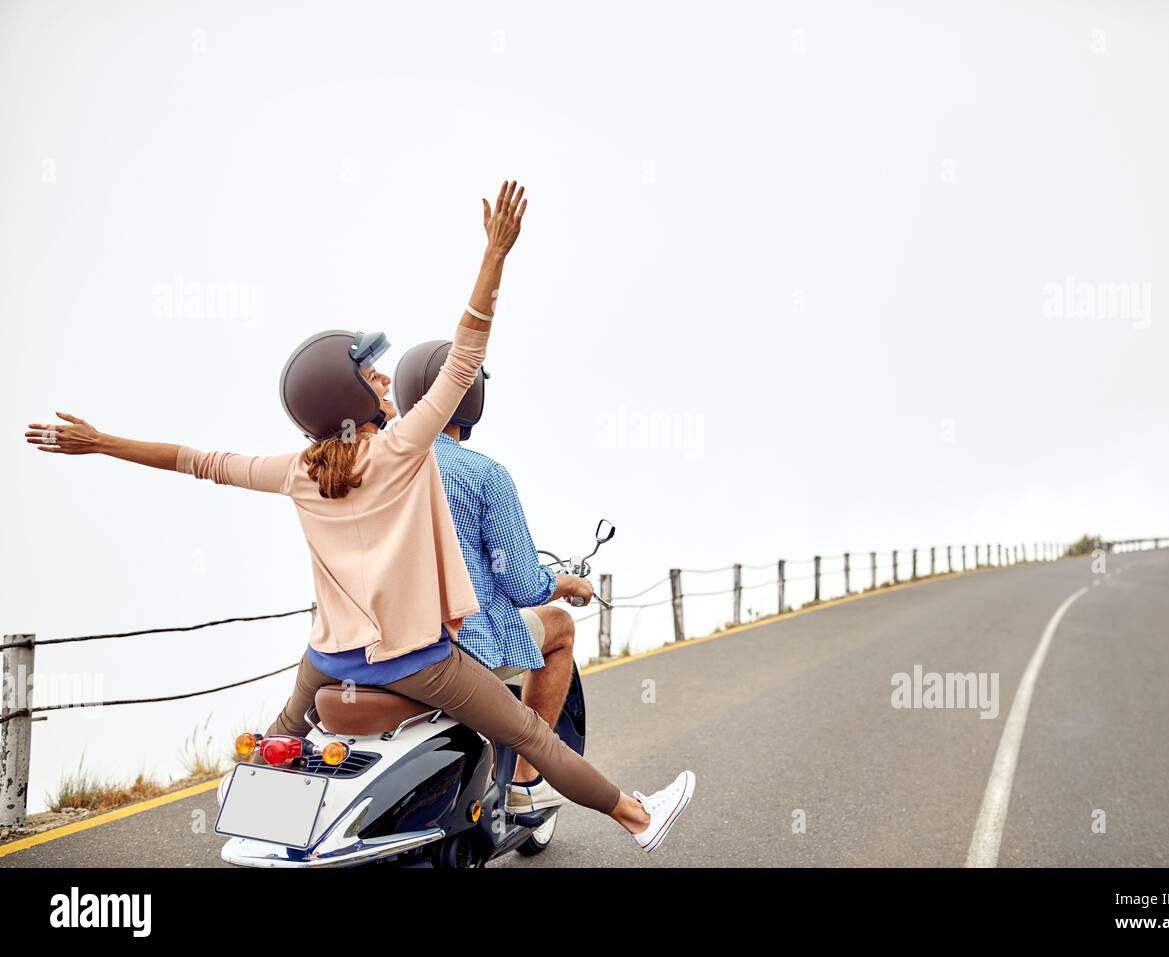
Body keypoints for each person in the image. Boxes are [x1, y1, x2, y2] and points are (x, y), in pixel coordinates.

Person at [24, 181, 694, 853]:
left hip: (324, 661)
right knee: (529, 735)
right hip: (413, 663)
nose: (383, 381)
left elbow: (197, 460)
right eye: (371, 376)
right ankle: (639, 817)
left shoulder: (297, 470)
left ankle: (264, 836)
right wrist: (495, 256)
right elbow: (467, 349)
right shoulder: (402, 451)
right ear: (350, 395)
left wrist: (100, 442)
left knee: (275, 744)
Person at [392, 337, 588, 816]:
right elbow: (522, 585)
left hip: (374, 646)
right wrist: (564, 583)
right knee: (559, 626)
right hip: (457, 647)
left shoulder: (375, 462)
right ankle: (524, 777)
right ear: (471, 398)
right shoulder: (481, 473)